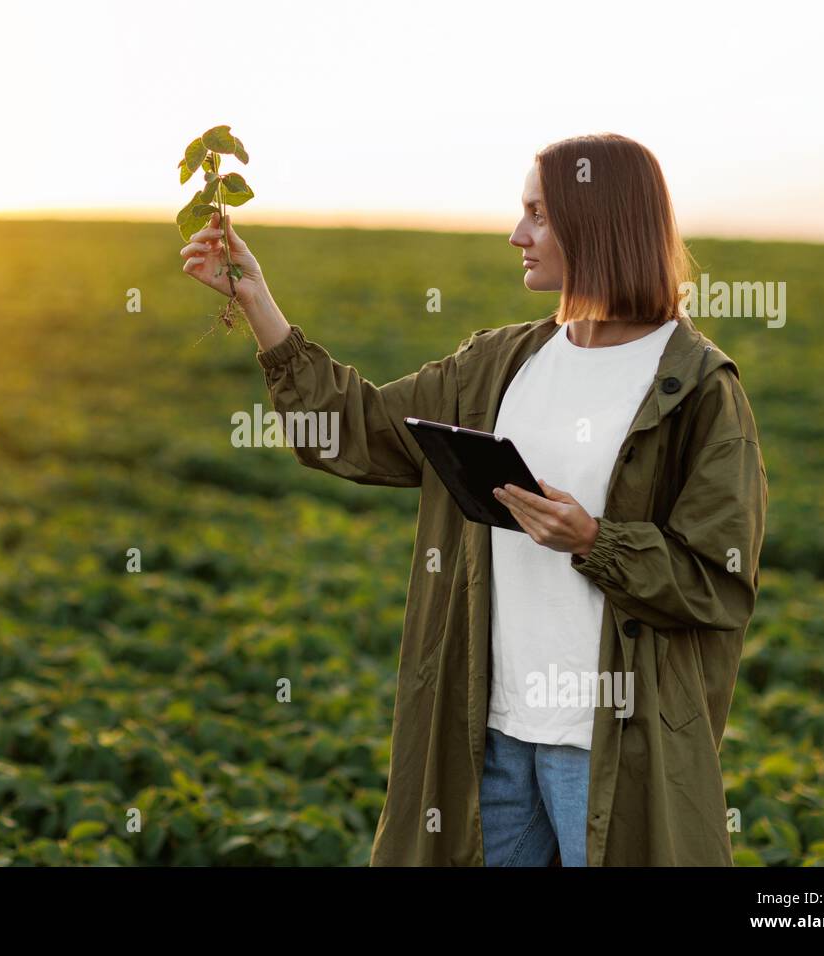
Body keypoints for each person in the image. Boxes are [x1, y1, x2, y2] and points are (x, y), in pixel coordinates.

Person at [179, 133, 768, 867]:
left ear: (600, 223)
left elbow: (718, 584)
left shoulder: (698, 389)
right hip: (490, 736)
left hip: (611, 749)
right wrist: (258, 304)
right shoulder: (499, 363)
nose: (516, 234)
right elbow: (354, 432)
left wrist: (595, 542)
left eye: (537, 215)